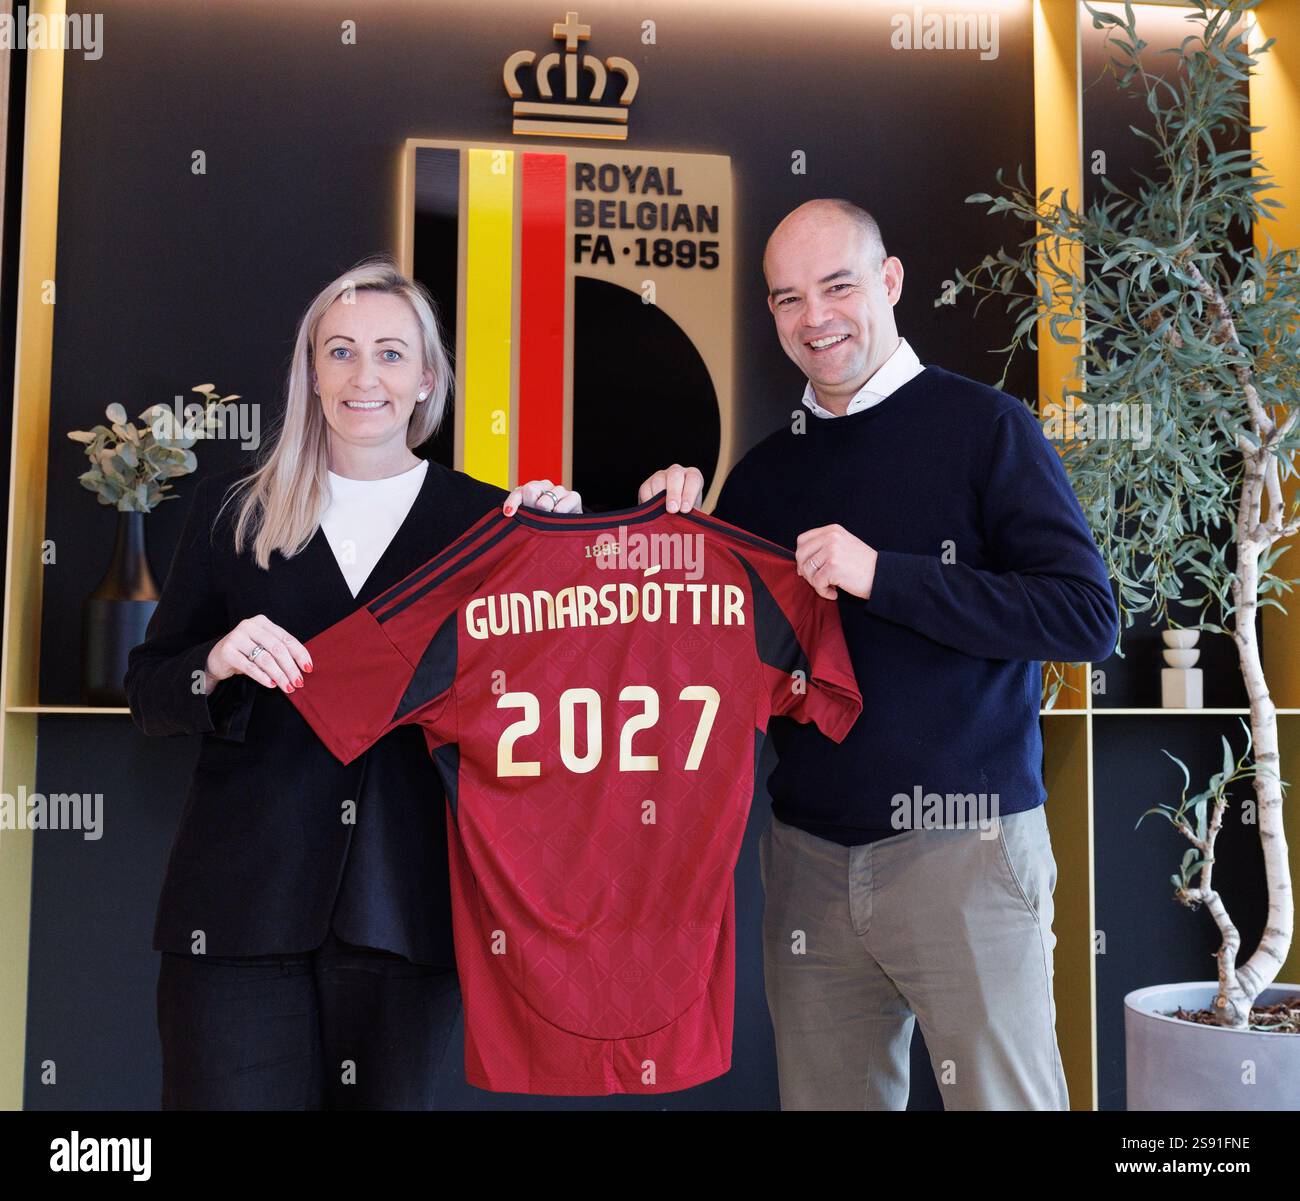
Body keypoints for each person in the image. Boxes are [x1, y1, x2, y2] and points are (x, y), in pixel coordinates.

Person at [638, 199, 1118, 1110]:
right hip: (808, 862)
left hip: (966, 850)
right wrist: (677, 544)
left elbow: (1086, 616)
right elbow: (719, 660)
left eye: (837, 285)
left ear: (890, 282)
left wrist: (883, 576)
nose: (814, 318)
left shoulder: (987, 427)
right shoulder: (766, 474)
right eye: (787, 299)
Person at [125, 256, 578, 1109]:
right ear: (309, 372)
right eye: (338, 352)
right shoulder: (237, 509)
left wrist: (559, 557)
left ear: (427, 379)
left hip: (407, 912)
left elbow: (545, 702)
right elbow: (148, 688)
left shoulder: (490, 524)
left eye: (390, 353)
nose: (363, 375)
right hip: (236, 912)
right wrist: (214, 662)